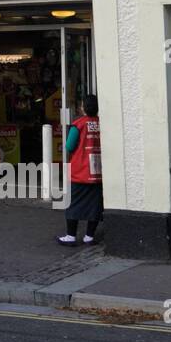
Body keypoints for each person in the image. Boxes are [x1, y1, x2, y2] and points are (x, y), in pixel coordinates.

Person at [58, 94, 103, 246]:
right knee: (95, 205)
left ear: (83, 107)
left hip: (80, 171)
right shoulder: (101, 123)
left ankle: (71, 236)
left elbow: (69, 146)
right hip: (98, 172)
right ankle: (89, 236)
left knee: (73, 204)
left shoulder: (78, 124)